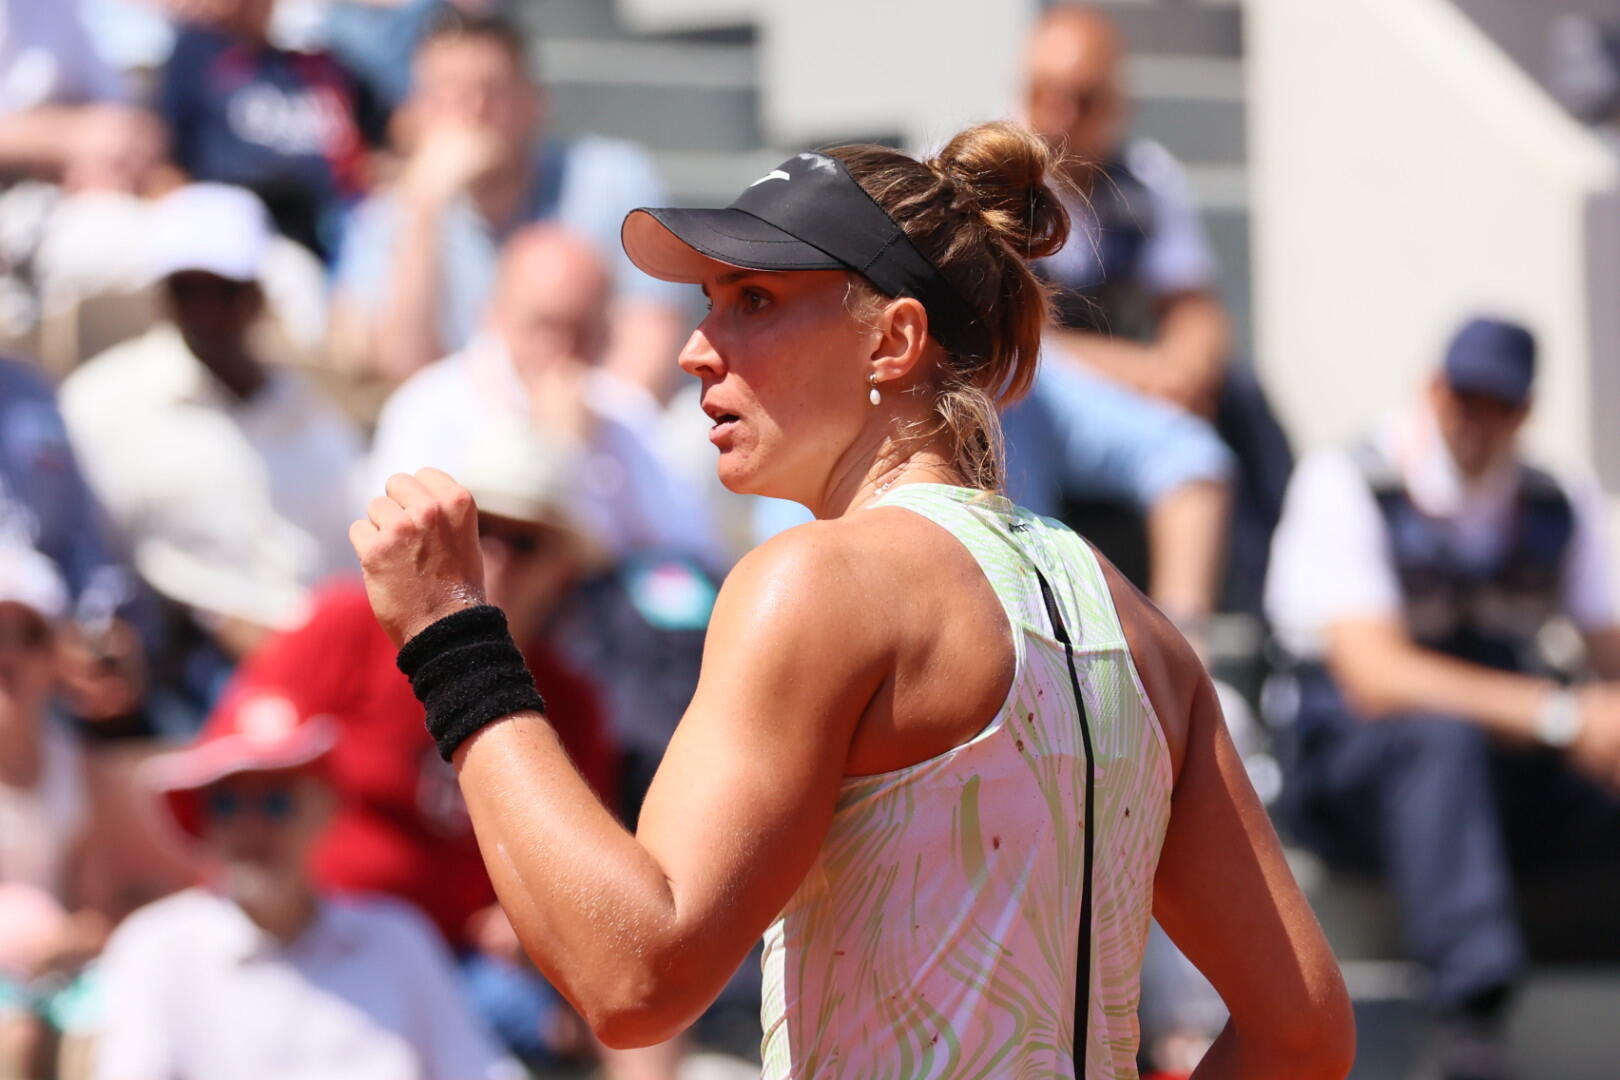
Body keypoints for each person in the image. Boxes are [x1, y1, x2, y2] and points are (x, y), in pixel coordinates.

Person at [351, 122, 1354, 1077]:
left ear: (894, 341)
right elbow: (1302, 1036)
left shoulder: (818, 583)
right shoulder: (1138, 626)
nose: (699, 348)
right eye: (707, 303)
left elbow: (634, 976)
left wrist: (454, 638)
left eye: (752, 302)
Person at [1266, 316, 1620, 1079]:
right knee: (1438, 738)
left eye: (1498, 401)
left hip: (1491, 774)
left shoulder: (1557, 500)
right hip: (1352, 769)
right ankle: (1470, 1025)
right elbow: (1376, 676)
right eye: (1464, 393)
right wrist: (1559, 715)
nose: (1475, 415)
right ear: (1432, 388)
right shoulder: (1351, 479)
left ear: (1525, 411)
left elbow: (1610, 650)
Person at [94, 690, 523, 1079]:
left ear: (322, 810)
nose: (252, 827)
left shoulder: (398, 940)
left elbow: (481, 1071)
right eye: (227, 803)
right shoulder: (155, 949)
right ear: (205, 823)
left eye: (276, 801)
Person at [1021, 3, 1293, 613]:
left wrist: (1184, 365)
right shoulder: (1000, 179)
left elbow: (1194, 302)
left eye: (1082, 98)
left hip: (1123, 393)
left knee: (1235, 413)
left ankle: (1208, 637)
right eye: (1044, 94)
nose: (1060, 116)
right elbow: (1001, 333)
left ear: (1118, 103)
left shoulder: (1145, 179)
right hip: (1025, 386)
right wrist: (1142, 371)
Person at [60, 183, 363, 686]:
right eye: (186, 289)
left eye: (225, 290)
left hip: (317, 660)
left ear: (257, 295)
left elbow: (348, 553)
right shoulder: (102, 404)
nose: (206, 311)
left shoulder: (312, 412)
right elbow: (92, 560)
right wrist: (206, 619)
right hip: (177, 663)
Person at [331, 11, 687, 393]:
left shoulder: (613, 179)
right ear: (415, 114)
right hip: (463, 437)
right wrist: (424, 208)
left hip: (594, 421)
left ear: (533, 101)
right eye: (447, 95)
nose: (471, 113)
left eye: (489, 91)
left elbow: (649, 343)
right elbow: (402, 372)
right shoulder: (390, 216)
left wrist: (581, 438)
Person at [368, 224, 725, 567]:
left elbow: (685, 550)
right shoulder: (431, 405)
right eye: (543, 325)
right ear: (495, 314)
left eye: (580, 331)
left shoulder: (624, 411)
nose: (560, 349)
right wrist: (561, 451)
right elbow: (416, 550)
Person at [156, 0, 381, 261]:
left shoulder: (325, 66)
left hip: (338, 227)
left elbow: (386, 139)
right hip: (238, 235)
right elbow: (167, 165)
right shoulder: (195, 54)